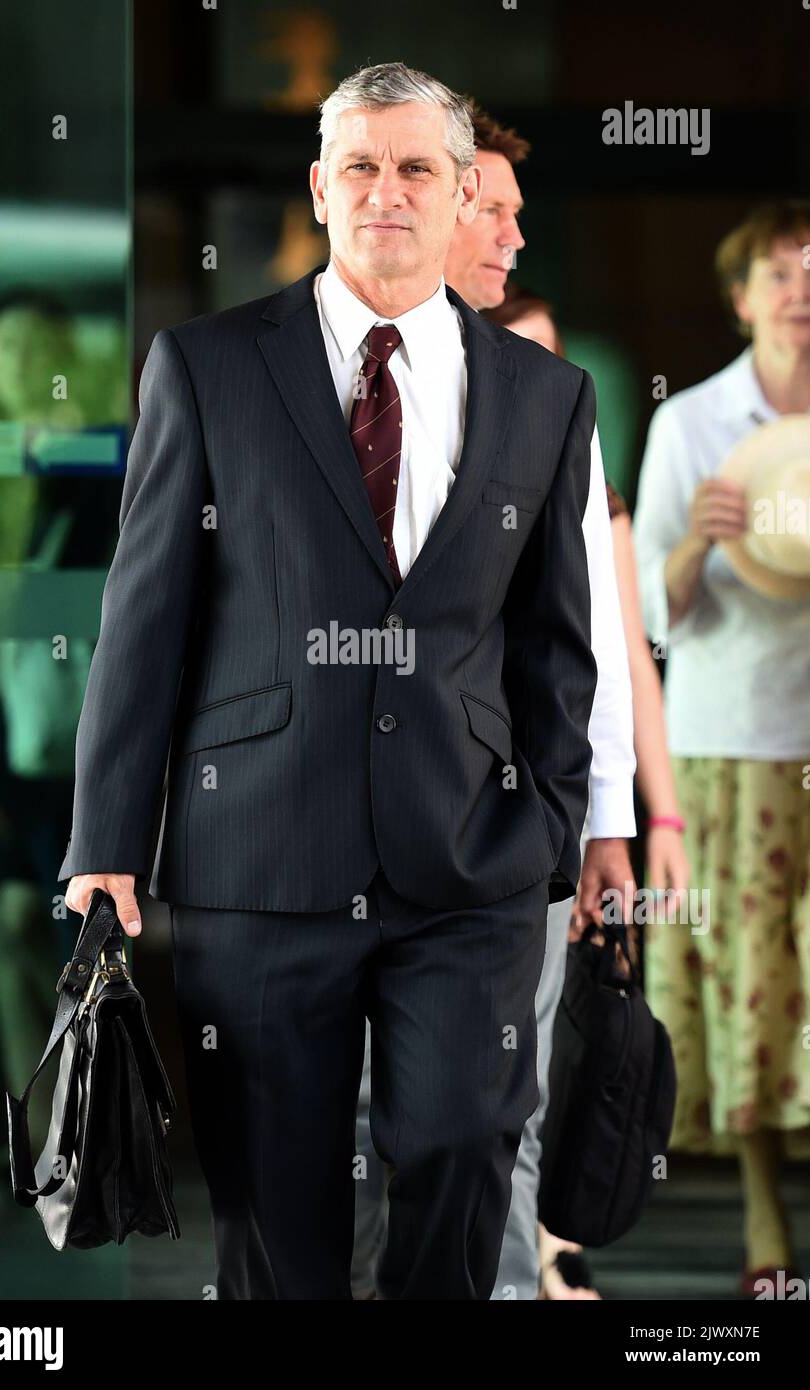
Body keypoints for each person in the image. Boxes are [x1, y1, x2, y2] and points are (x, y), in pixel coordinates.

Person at [60, 61, 601, 1301]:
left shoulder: (546, 396)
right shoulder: (202, 366)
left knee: (464, 1152)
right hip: (260, 853)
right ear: (319, 185)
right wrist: (107, 836)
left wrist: (554, 832)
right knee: (273, 1202)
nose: (386, 191)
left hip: (471, 860)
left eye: (417, 168)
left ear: (465, 193)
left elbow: (556, 644)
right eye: (359, 165)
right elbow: (143, 617)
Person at [351, 106, 637, 1303]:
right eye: (500, 210)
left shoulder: (542, 395)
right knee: (365, 1127)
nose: (517, 236)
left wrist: (599, 818)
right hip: (331, 831)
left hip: (500, 829)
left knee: (490, 1118)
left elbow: (588, 638)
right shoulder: (321, 367)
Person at [487, 283, 690, 1297]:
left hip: (567, 813)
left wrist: (649, 815)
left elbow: (624, 668)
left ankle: (549, 1251)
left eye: (553, 361)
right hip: (486, 810)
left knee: (554, 1048)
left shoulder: (595, 497)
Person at [632, 201, 810, 1295]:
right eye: (778, 273)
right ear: (740, 298)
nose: (800, 289)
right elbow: (651, 611)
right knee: (750, 977)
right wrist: (703, 535)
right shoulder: (692, 422)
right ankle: (762, 1223)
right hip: (731, 733)